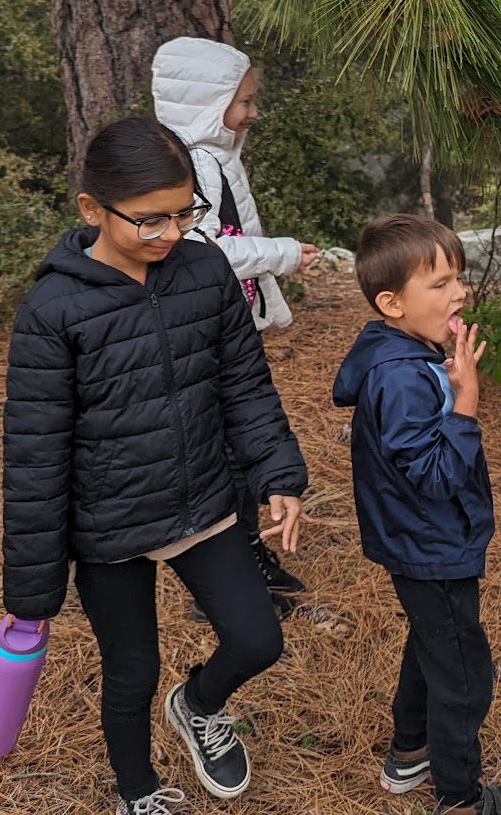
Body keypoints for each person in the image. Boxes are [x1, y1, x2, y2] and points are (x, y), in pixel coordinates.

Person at [2, 118, 309, 815]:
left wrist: (278, 475)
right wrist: (32, 591)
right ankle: (138, 794)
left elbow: (244, 386)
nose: (171, 233)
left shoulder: (205, 272)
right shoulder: (53, 310)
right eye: (150, 220)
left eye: (184, 213)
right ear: (92, 209)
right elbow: (34, 455)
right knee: (131, 672)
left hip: (203, 499)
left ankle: (198, 703)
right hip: (109, 526)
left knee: (257, 639)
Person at [331, 215, 501, 815]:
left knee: (432, 641)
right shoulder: (401, 378)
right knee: (463, 674)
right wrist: (465, 403)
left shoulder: (408, 355)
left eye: (458, 279)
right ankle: (460, 797)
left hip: (421, 540)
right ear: (391, 303)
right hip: (432, 545)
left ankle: (410, 750)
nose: (459, 293)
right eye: (440, 284)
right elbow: (437, 476)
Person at [152, 36, 318, 604]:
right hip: (205, 328)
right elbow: (206, 250)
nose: (252, 112)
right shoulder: (195, 163)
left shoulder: (210, 156)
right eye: (244, 101)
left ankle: (243, 555)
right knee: (226, 446)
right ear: (208, 100)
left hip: (221, 321)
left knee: (234, 440)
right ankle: (230, 575)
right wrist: (282, 253)